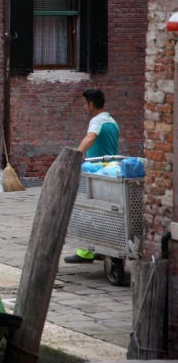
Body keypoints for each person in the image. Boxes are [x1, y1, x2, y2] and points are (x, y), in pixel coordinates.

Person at [64, 88, 119, 264]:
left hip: (95, 172)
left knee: (86, 210)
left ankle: (84, 252)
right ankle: (103, 248)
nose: (84, 106)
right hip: (110, 171)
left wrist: (76, 154)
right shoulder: (112, 121)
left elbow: (90, 138)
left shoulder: (96, 121)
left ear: (91, 104)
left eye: (85, 103)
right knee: (105, 212)